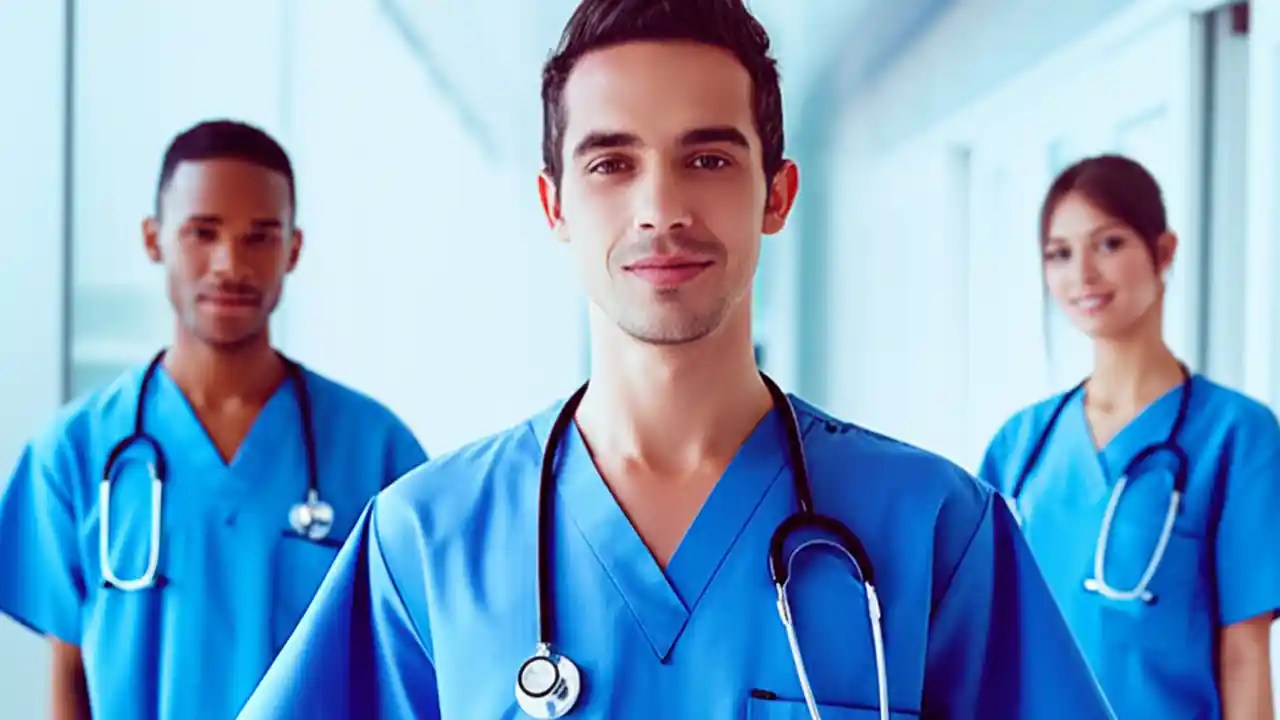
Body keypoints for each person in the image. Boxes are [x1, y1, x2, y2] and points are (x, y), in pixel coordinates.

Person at [239, 2, 1113, 718]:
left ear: (777, 194)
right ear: (555, 205)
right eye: (612, 163)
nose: (661, 207)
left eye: (707, 158)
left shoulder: (935, 531)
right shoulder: (426, 543)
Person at [0, 120, 428, 720]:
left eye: (260, 237)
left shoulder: (375, 449)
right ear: (154, 239)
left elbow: (409, 672)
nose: (230, 263)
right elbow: (69, 682)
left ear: (293, 249)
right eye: (202, 233)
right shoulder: (73, 452)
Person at [979, 154, 1278, 719]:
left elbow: (1245, 654)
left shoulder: (1236, 435)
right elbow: (978, 636)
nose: (1083, 275)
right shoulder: (1020, 444)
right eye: (1059, 253)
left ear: (1163, 251)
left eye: (1109, 244)